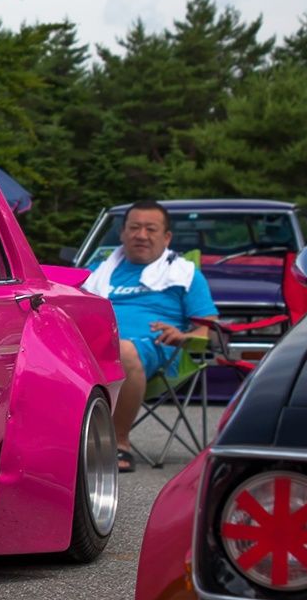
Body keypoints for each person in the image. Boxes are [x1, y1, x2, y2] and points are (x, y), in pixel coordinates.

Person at [79, 199, 218, 472]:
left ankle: (118, 443)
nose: (141, 235)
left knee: (125, 351)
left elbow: (209, 330)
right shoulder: (99, 272)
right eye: (134, 228)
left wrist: (183, 336)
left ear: (167, 237)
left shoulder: (184, 274)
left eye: (151, 229)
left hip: (155, 349)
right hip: (94, 345)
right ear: (122, 233)